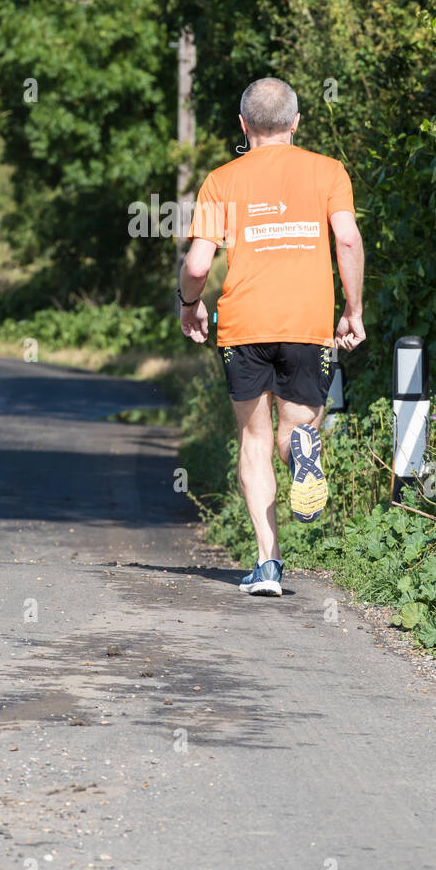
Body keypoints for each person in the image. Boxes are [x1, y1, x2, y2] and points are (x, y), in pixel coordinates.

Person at [178, 77, 365, 597]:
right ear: (296, 122)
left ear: (243, 125)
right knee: (294, 430)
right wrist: (353, 310)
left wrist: (189, 306)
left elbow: (197, 264)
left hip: (244, 324)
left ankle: (267, 564)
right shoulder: (328, 171)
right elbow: (347, 237)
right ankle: (304, 449)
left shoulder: (221, 180)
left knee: (254, 439)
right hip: (308, 322)